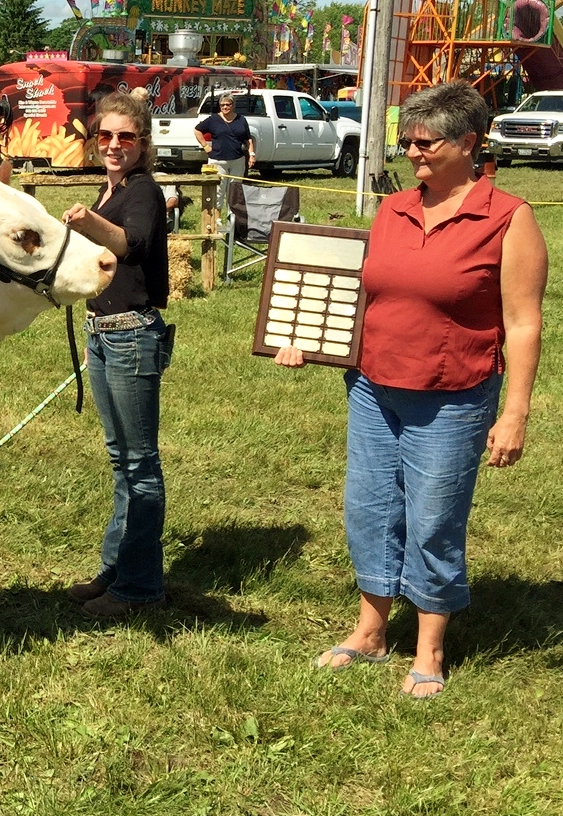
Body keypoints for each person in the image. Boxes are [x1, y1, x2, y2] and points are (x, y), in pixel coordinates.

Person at [275, 81, 547, 699]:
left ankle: (429, 649)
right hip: (371, 386)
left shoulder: (509, 219)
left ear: (468, 143)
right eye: (408, 143)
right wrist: (303, 339)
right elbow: (360, 293)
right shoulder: (393, 209)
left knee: (432, 520)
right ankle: (370, 631)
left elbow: (524, 323)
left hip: (453, 394)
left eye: (425, 143)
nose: (413, 154)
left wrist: (515, 412)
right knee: (369, 510)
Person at [61, 88, 174, 619]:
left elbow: (131, 244)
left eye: (124, 137)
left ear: (142, 143)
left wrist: (89, 224)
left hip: (131, 335)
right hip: (104, 334)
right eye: (104, 136)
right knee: (121, 461)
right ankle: (117, 569)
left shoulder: (143, 191)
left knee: (139, 464)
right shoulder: (110, 190)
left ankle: (139, 588)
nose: (112, 145)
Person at [194, 94, 255, 211]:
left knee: (235, 191)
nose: (225, 107)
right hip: (218, 160)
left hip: (237, 160)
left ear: (233, 106)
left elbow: (248, 139)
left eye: (228, 104)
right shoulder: (213, 119)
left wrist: (252, 154)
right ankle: (216, 221)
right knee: (218, 191)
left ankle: (232, 220)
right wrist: (205, 146)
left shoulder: (241, 120)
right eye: (222, 105)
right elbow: (197, 130)